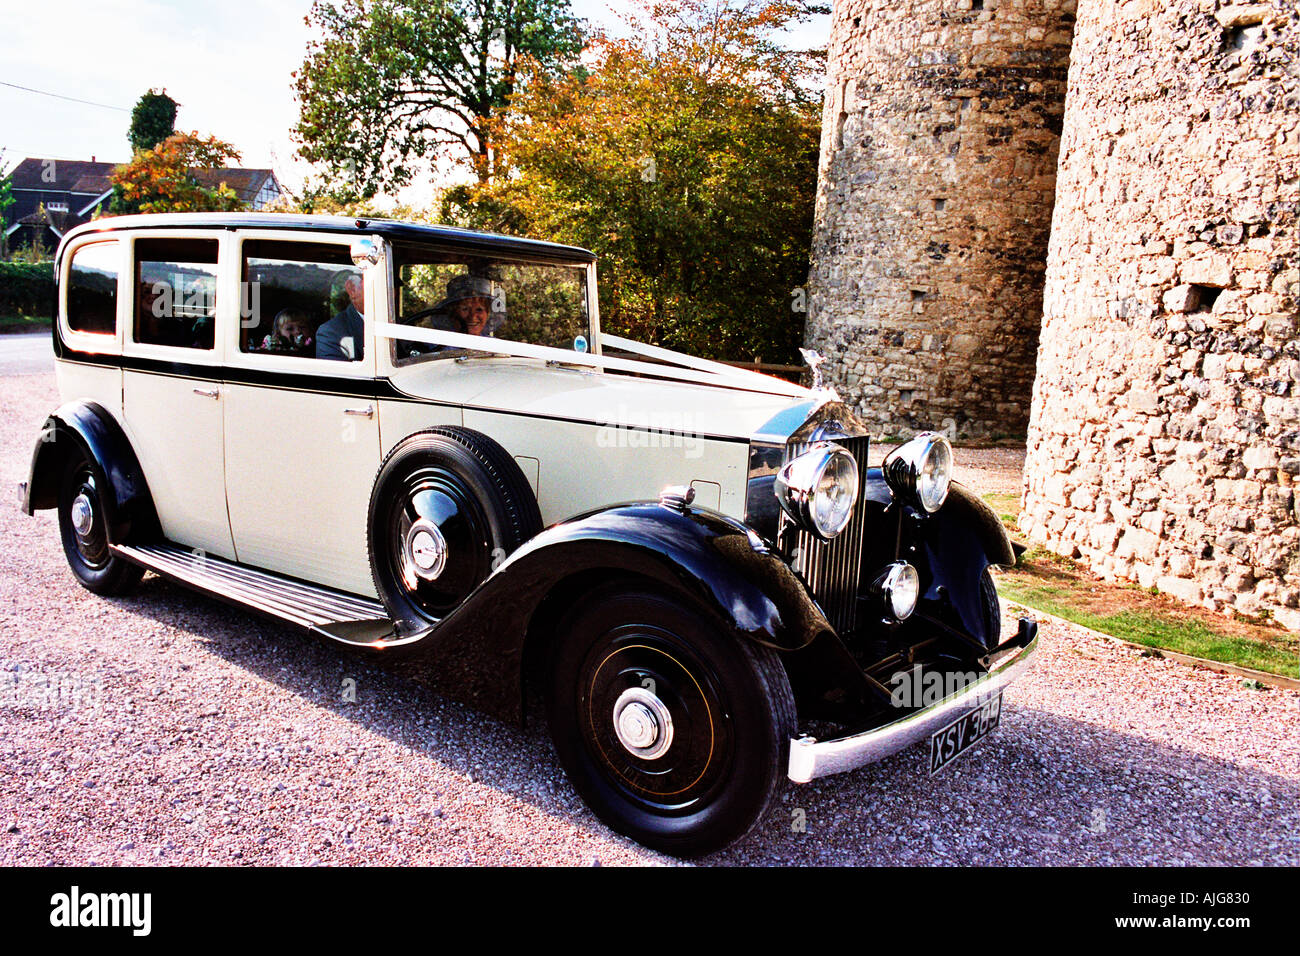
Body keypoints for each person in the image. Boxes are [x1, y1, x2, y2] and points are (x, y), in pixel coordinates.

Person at [316, 272, 365, 360]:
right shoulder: (332, 333)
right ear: (352, 289)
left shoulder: (395, 321)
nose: (393, 292)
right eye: (379, 286)